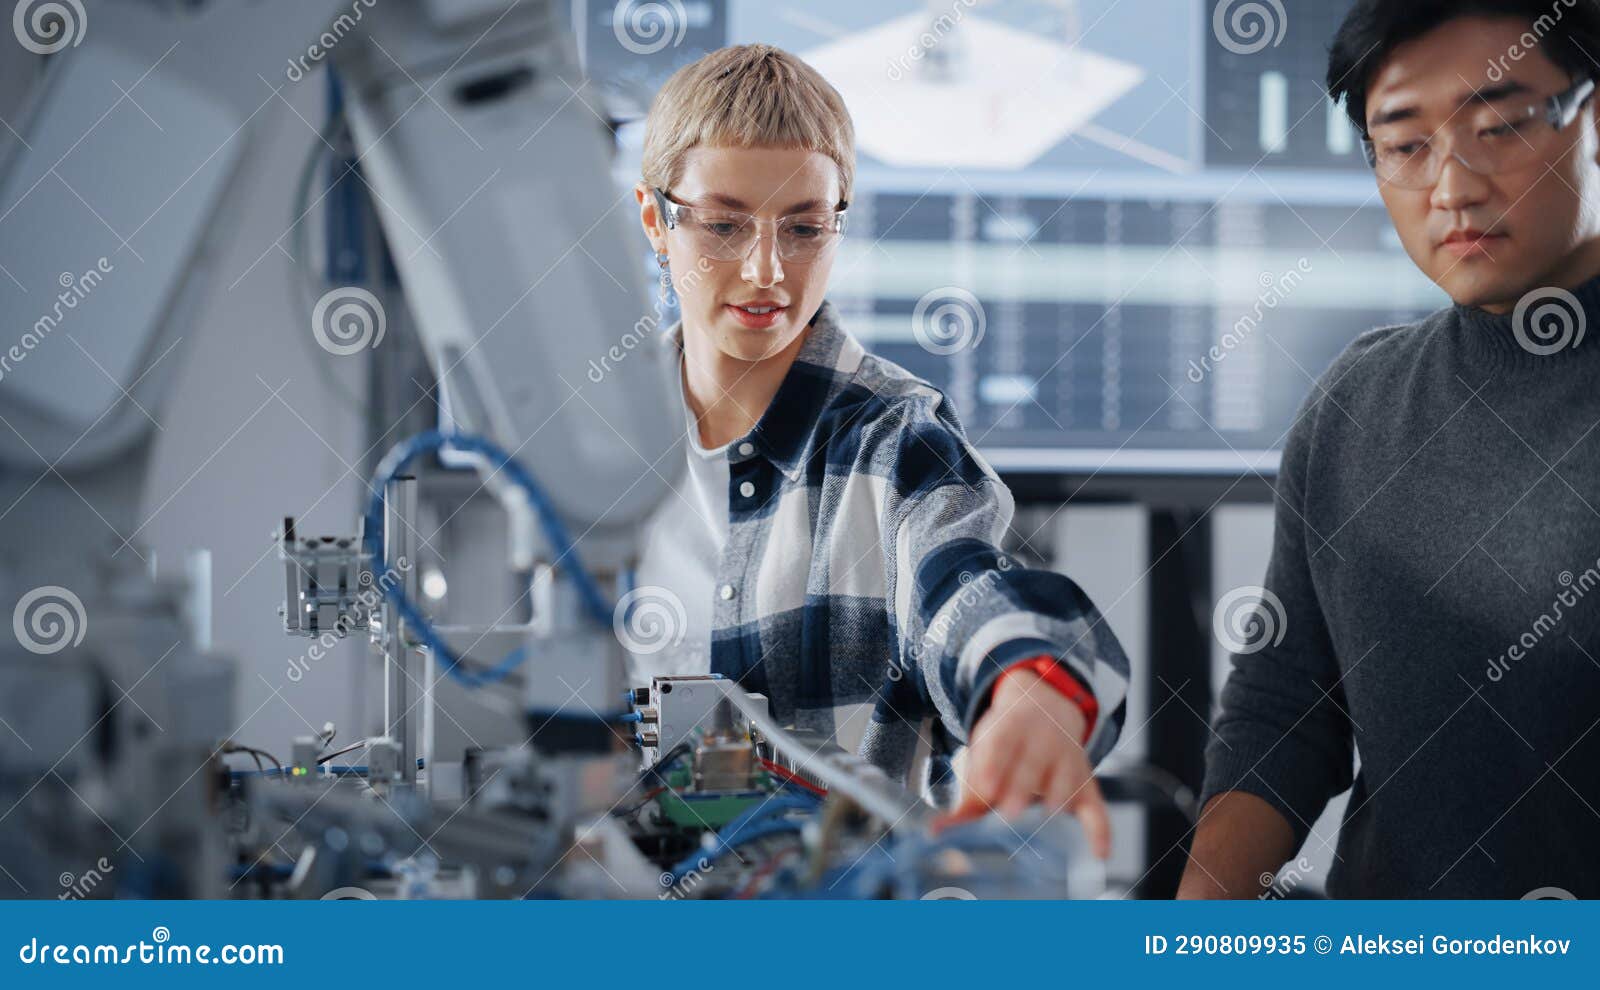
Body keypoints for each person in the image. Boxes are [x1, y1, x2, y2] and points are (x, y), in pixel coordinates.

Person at [626, 44, 1129, 849]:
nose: (765, 270)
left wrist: (1029, 684)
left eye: (803, 229)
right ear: (657, 220)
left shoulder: (895, 444)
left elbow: (965, 586)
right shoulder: (590, 443)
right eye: (724, 225)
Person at [1181, 0, 1600, 898]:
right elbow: (1284, 714)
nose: (1453, 187)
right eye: (1406, 147)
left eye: (1499, 126)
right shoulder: (1357, 404)